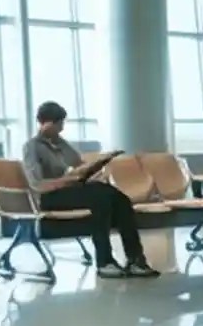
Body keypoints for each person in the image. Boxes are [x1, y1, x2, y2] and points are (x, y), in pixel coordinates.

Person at [21, 101, 158, 279]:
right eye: (59, 123)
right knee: (100, 198)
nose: (62, 128)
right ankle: (105, 262)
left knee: (119, 198)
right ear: (46, 123)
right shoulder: (31, 147)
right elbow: (37, 184)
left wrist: (93, 168)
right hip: (49, 196)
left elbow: (79, 165)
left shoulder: (60, 144)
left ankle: (136, 260)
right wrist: (68, 180)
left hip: (69, 191)